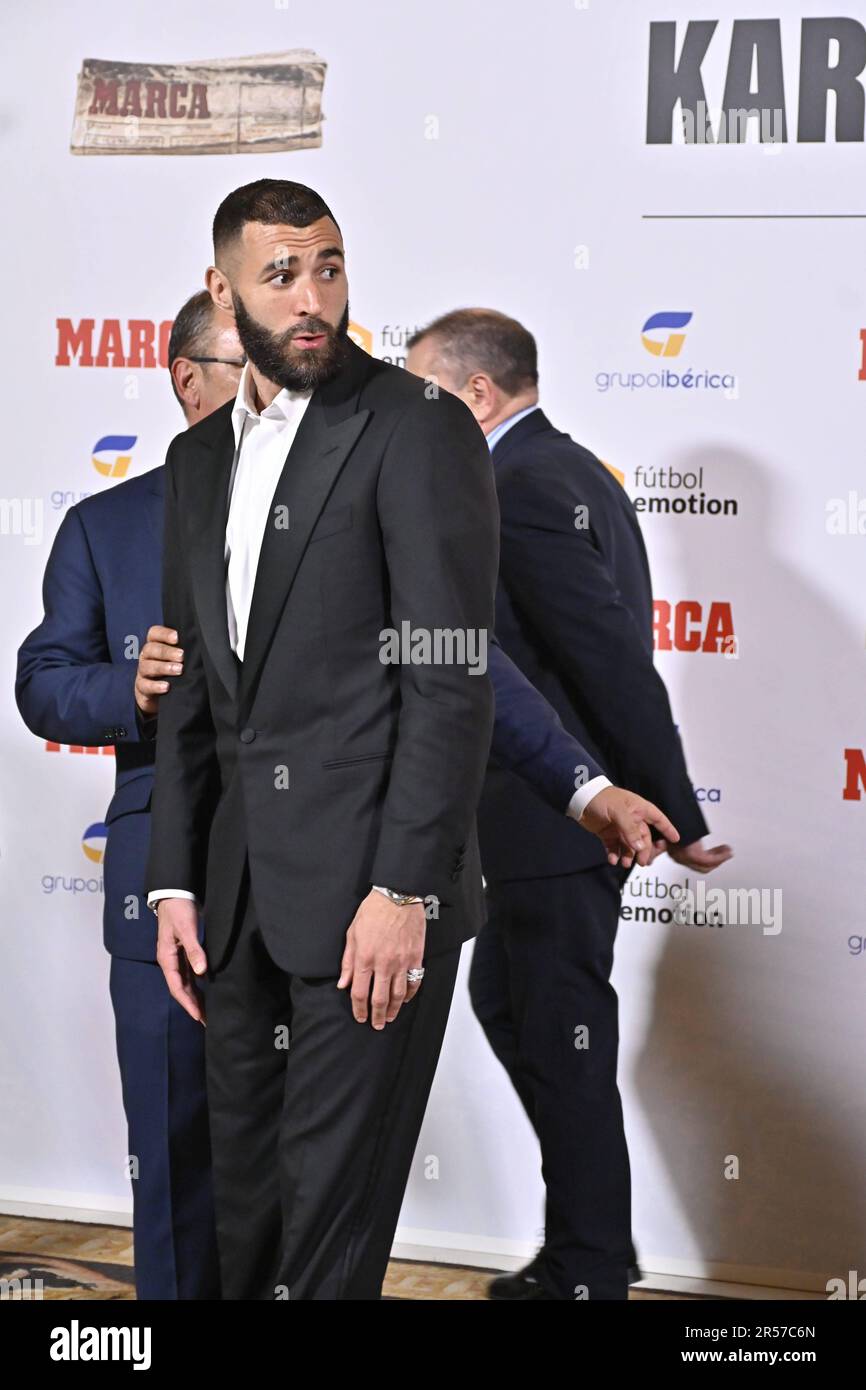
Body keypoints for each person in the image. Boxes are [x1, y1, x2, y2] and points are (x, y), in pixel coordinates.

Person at [143, 178, 502, 1301]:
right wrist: (171, 884)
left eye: (330, 268)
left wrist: (405, 888)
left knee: (328, 1227)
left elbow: (447, 683)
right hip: (235, 903)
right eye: (282, 275)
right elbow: (198, 698)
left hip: (371, 903)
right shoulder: (199, 459)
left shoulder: (415, 427)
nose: (313, 299)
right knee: (245, 1206)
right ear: (223, 289)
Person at [407, 309, 732, 1301]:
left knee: (558, 1033)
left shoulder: (525, 484)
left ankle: (590, 1265)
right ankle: (583, 1248)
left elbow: (605, 659)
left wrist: (666, 806)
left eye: (423, 393)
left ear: (475, 393)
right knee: (520, 1008)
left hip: (556, 822)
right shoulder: (569, 469)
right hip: (548, 819)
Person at [14, 291, 245, 1298]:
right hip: (162, 880)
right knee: (174, 1154)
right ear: (186, 379)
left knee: (303, 1166)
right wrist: (129, 689)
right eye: (248, 363)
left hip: (313, 877)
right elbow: (41, 679)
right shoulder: (106, 526)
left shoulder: (340, 510)